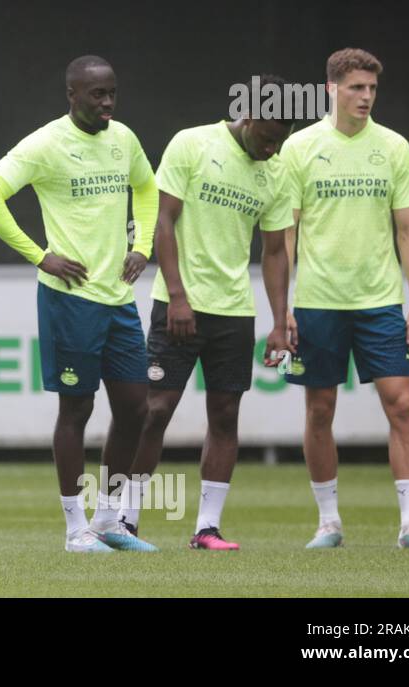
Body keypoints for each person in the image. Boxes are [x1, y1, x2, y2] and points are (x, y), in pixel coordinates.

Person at [0, 55, 157, 553]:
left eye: (113, 93)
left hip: (117, 300)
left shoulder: (124, 139)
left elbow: (147, 186)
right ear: (72, 94)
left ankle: (109, 519)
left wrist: (142, 247)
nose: (108, 103)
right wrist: (40, 255)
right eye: (98, 95)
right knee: (77, 407)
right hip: (69, 300)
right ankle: (75, 530)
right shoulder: (46, 143)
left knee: (136, 409)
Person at [118, 76, 295, 551]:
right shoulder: (193, 143)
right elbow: (163, 220)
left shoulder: (276, 171)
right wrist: (177, 296)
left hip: (235, 312)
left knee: (225, 415)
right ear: (250, 117)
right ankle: (125, 520)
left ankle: (207, 528)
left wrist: (280, 320)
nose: (273, 150)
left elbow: (275, 251)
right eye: (267, 138)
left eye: (282, 141)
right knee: (155, 411)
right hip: (178, 305)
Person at [280, 49, 409, 550]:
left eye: (371, 88)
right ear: (331, 89)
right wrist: (282, 304)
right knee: (319, 410)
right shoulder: (300, 148)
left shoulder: (393, 147)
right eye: (355, 87)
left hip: (379, 303)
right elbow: (285, 232)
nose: (365, 97)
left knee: (403, 406)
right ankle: (329, 522)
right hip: (317, 301)